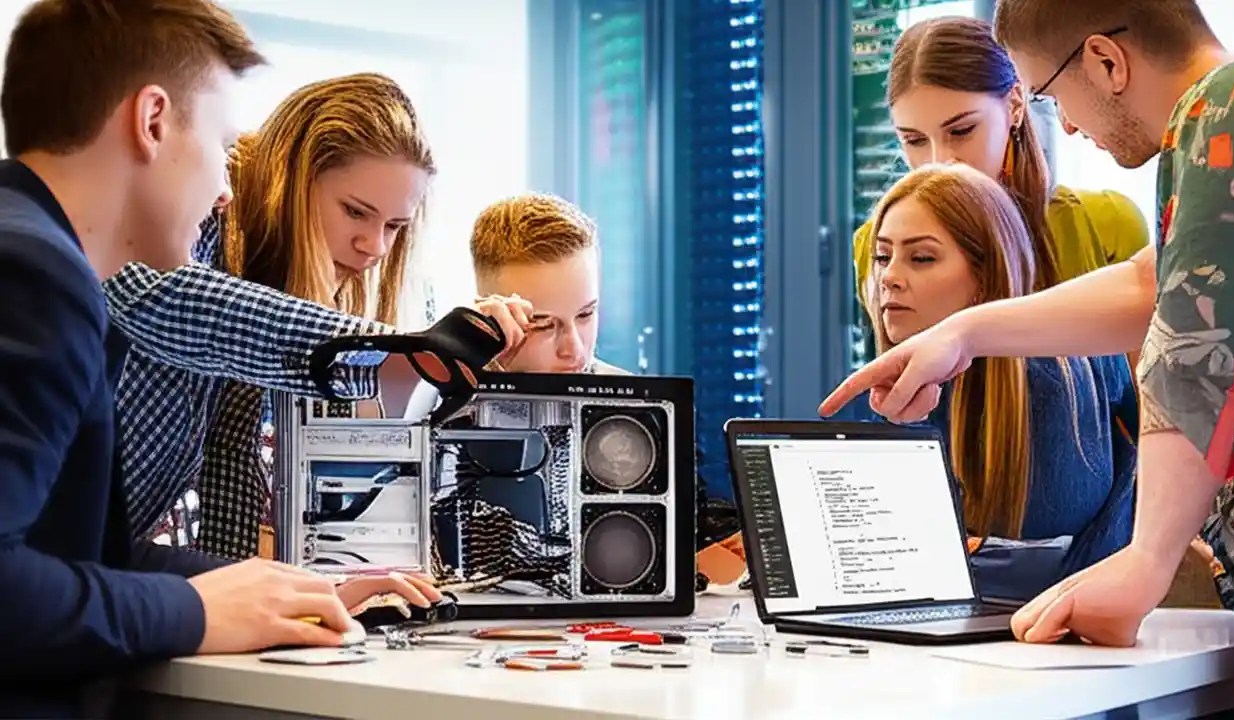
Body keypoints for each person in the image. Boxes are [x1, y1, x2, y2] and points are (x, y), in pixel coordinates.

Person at [0, 1, 434, 715]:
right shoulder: (35, 269)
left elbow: (85, 558)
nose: (228, 185)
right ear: (153, 121)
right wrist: (196, 613)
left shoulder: (45, 260)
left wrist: (287, 589)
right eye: (221, 141)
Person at [820, 0, 1234, 661]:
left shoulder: (1229, 107)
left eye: (1053, 92)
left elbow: (1195, 348)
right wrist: (964, 334)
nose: (1061, 120)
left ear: (1105, 61)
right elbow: (1149, 288)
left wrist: (1146, 560)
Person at [110, 73, 526, 561]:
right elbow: (157, 296)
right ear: (294, 177)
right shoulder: (204, 206)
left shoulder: (302, 289)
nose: (374, 247)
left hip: (119, 569)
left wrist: (457, 354)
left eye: (394, 226)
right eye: (354, 212)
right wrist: (393, 352)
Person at [407, 193, 744, 585]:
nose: (574, 349)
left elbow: (708, 552)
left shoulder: (643, 412)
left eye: (586, 314)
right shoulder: (433, 406)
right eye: (543, 325)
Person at [846, 162, 1136, 600]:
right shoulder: (874, 394)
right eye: (883, 256)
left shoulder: (1058, 381)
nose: (889, 277)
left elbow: (1038, 567)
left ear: (986, 277)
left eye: (921, 257)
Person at [851, 16, 1148, 321]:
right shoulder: (874, 248)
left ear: (1015, 105)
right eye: (914, 140)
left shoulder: (1104, 228)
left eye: (962, 130)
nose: (939, 162)